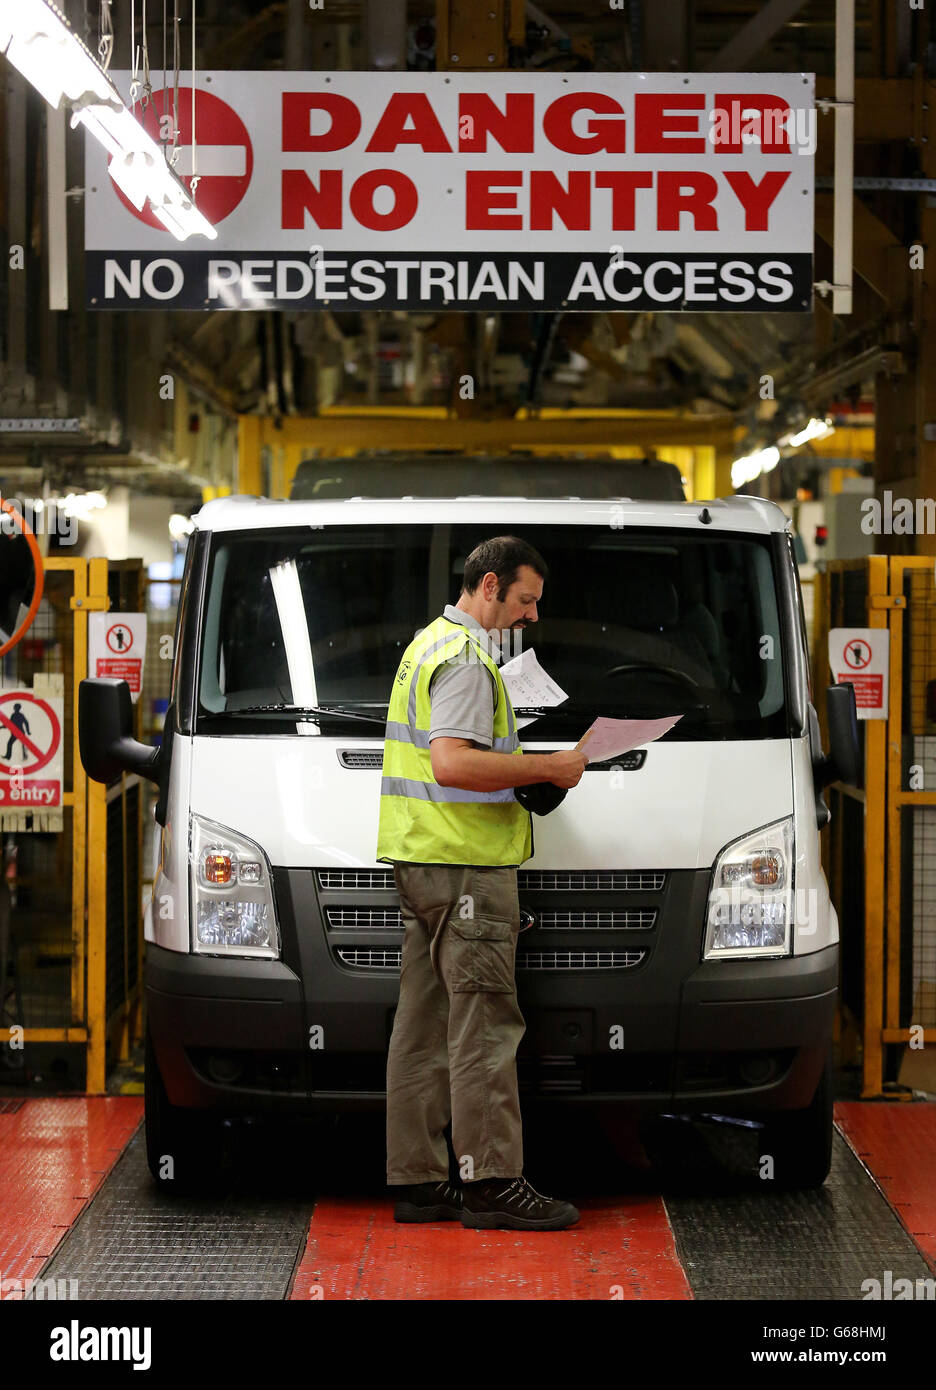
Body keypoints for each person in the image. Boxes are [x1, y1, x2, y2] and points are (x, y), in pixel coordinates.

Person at [376, 535, 587, 1231]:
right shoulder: (466, 660)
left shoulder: (426, 645)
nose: (530, 616)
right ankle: (493, 1180)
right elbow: (453, 765)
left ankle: (418, 1180)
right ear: (490, 586)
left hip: (422, 860)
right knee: (485, 1025)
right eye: (525, 600)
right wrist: (546, 768)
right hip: (466, 867)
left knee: (423, 1023)